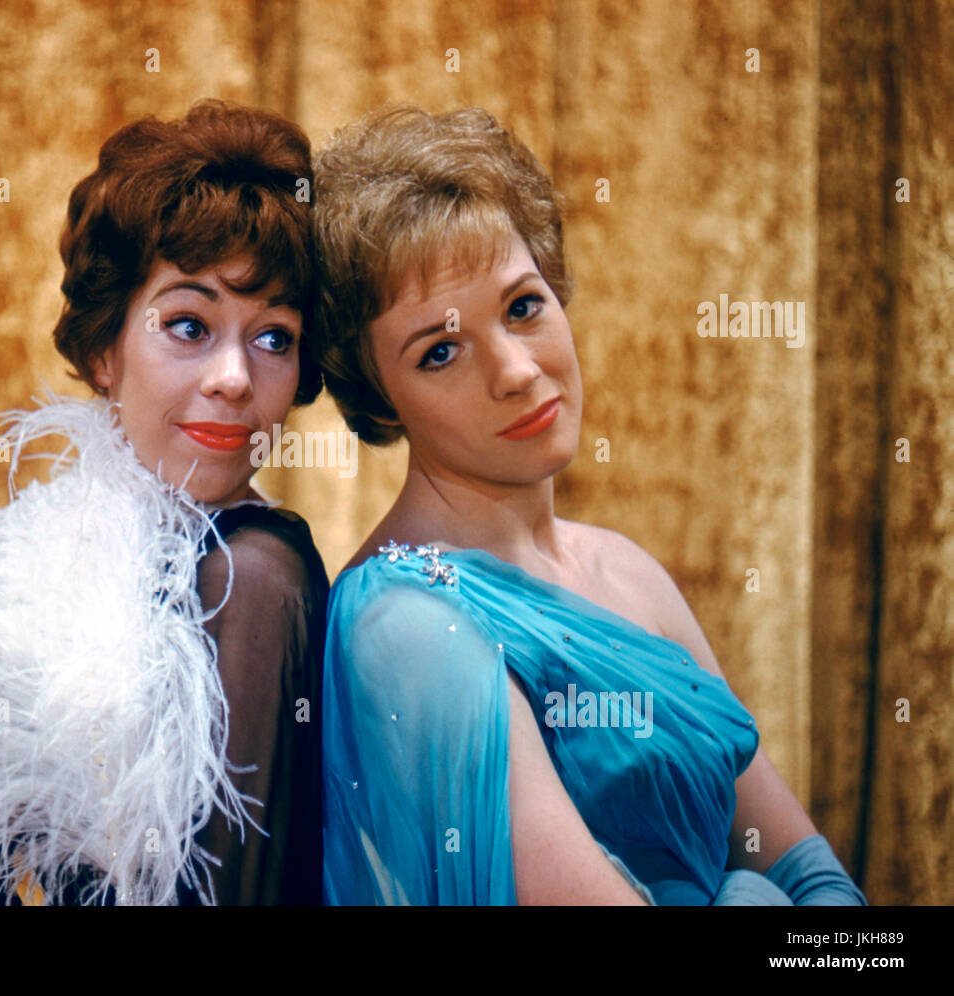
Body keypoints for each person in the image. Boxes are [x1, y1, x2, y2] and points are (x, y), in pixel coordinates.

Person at [310, 105, 866, 906]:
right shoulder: (402, 621)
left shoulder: (623, 566)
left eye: (523, 307)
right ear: (379, 398)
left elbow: (809, 874)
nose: (515, 371)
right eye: (440, 350)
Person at [0, 100, 327, 905]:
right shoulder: (33, 566)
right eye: (190, 325)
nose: (237, 377)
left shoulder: (259, 575)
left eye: (274, 336)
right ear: (103, 350)